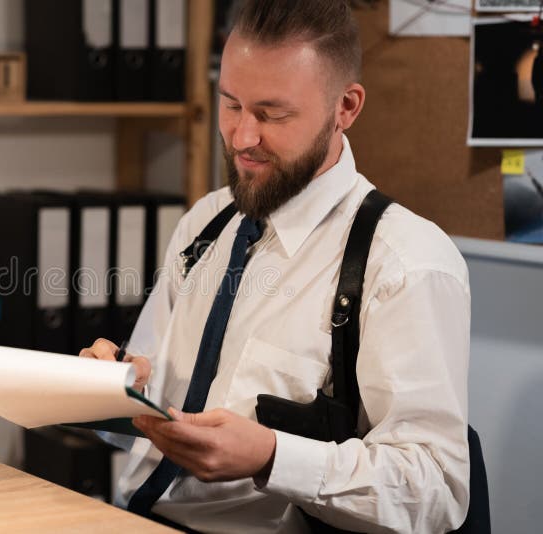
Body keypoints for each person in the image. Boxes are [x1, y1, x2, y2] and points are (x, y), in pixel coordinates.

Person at [80, 1, 471, 532]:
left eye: (272, 114)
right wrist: (116, 383)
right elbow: (153, 401)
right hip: (134, 517)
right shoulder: (207, 220)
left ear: (346, 107)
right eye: (231, 105)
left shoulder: (404, 264)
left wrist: (272, 457)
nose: (242, 137)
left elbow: (437, 488)